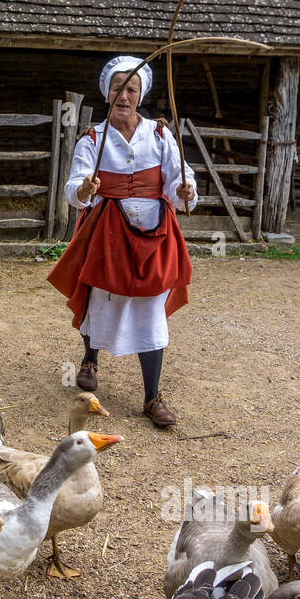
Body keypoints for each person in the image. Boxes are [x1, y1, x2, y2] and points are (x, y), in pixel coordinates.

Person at [47, 55, 197, 427]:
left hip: (155, 232)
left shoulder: (161, 135)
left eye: (131, 88)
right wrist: (84, 187)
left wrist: (185, 189)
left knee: (150, 308)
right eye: (118, 87)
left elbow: (181, 182)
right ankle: (90, 360)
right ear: (107, 92)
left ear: (140, 93)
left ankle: (151, 397)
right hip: (108, 231)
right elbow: (73, 187)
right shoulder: (93, 139)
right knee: (101, 296)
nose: (124, 95)